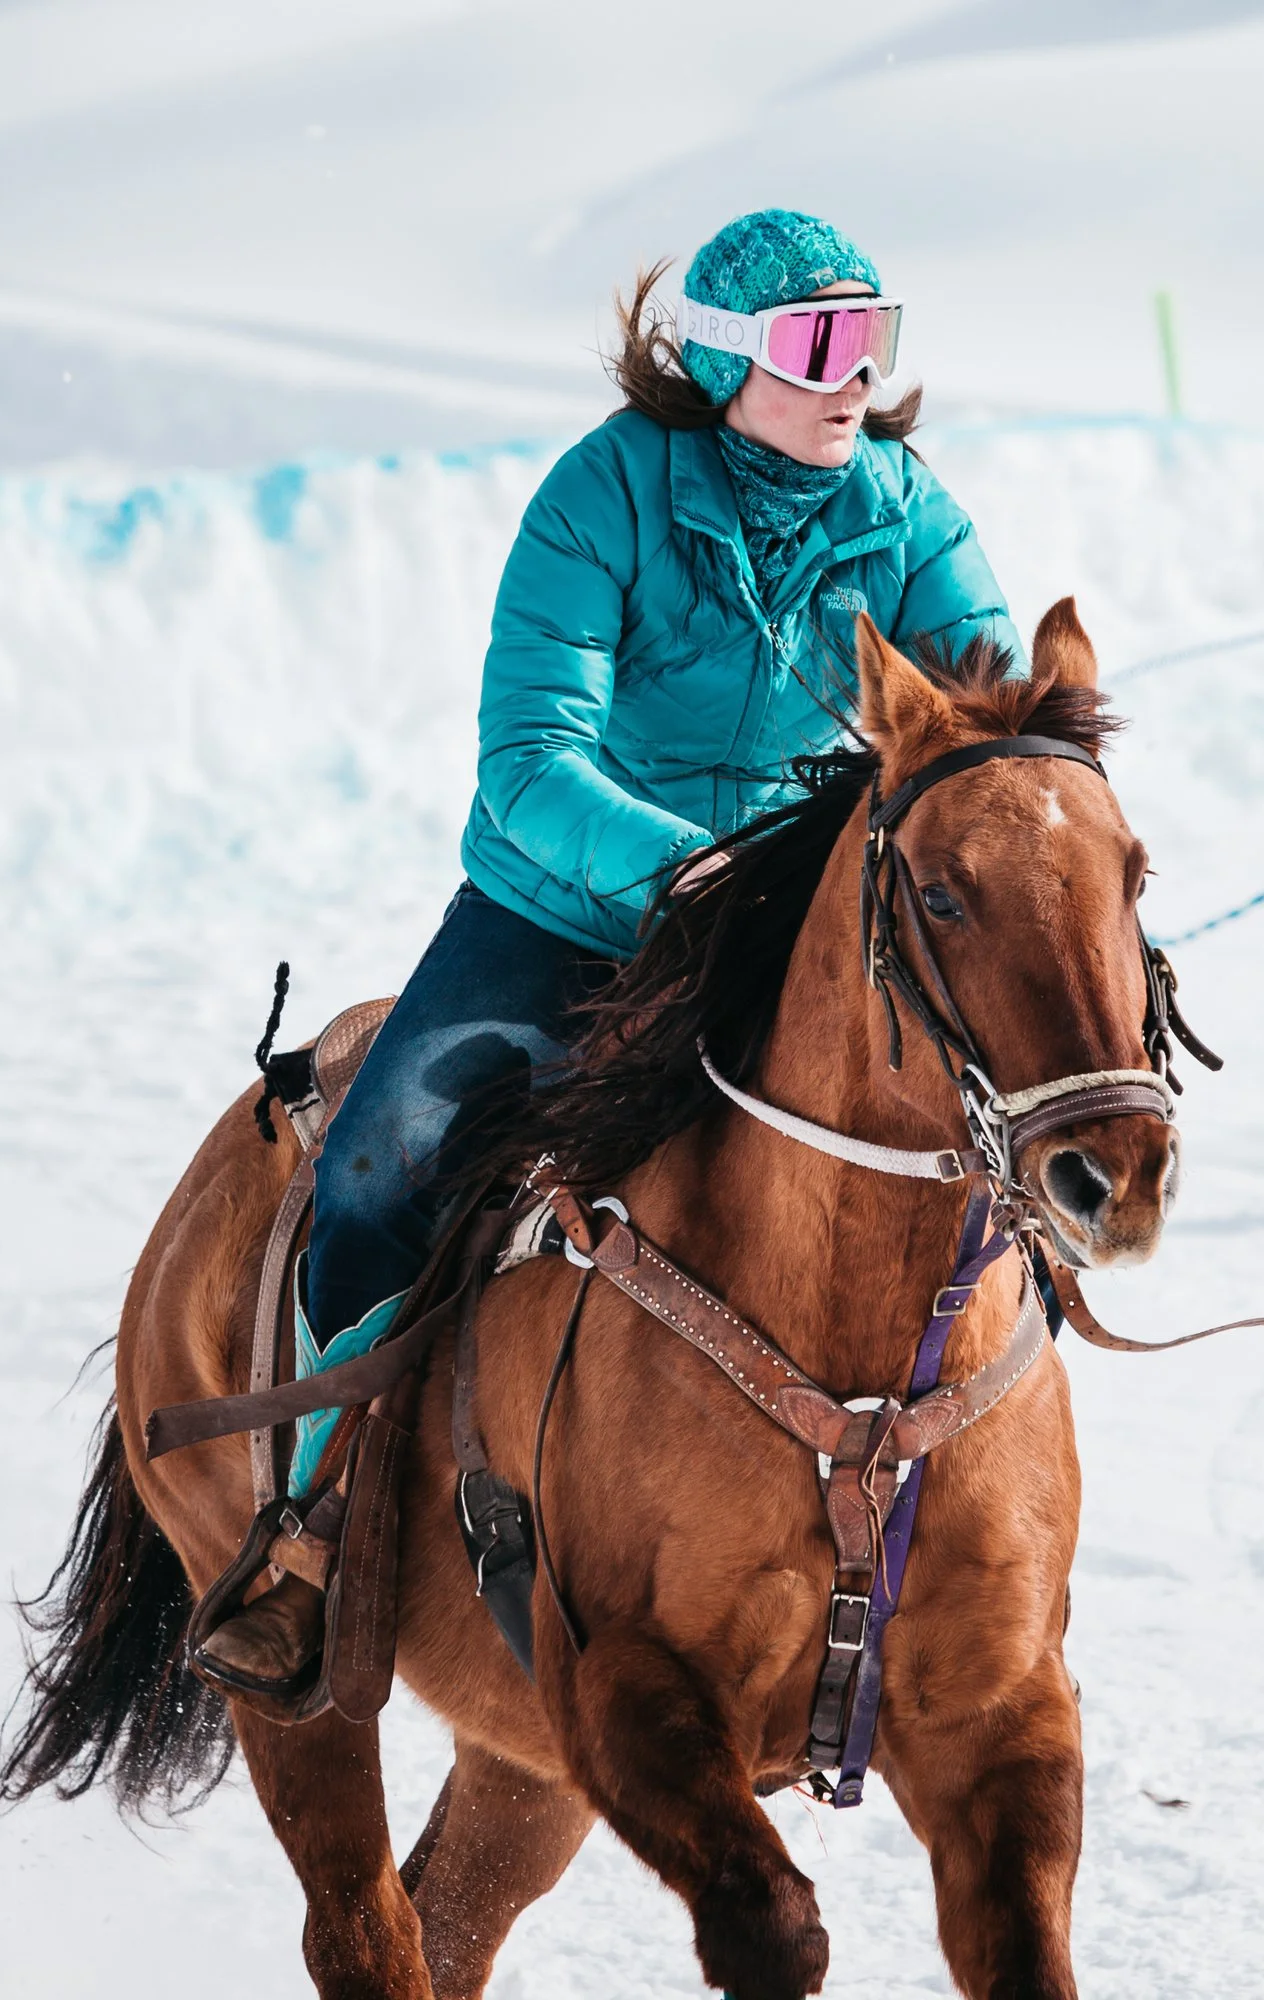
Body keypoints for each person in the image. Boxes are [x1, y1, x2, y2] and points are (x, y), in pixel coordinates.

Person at [198, 208, 1020, 1692]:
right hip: (564, 918)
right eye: (817, 343)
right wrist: (688, 871)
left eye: (871, 337)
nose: (854, 376)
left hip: (785, 939)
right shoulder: (604, 495)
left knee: (982, 1140)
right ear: (725, 364)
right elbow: (530, 763)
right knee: (381, 1171)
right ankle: (312, 1533)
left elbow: (982, 726)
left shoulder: (908, 513)